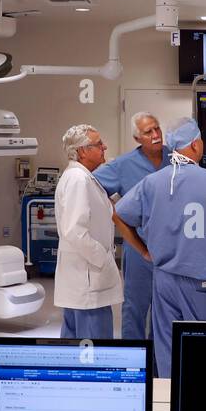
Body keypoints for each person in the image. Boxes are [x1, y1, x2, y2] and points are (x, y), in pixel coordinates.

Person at [114, 117, 206, 376]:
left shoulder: (152, 183)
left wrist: (143, 250)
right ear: (195, 145)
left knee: (168, 348)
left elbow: (118, 215)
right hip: (202, 282)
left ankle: (170, 405)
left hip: (164, 280)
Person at [93, 112, 165, 343]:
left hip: (171, 249)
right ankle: (134, 361)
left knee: (165, 312)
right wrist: (115, 213)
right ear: (137, 139)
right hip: (140, 249)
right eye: (148, 132)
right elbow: (91, 184)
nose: (155, 135)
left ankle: (160, 366)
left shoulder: (175, 158)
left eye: (157, 129)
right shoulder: (123, 166)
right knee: (135, 307)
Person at [53, 124, 123, 340]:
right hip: (88, 279)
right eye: (98, 144)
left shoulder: (82, 177)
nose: (105, 147)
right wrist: (102, 258)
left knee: (75, 345)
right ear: (82, 151)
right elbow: (75, 231)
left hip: (81, 279)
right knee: (94, 349)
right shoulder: (78, 179)